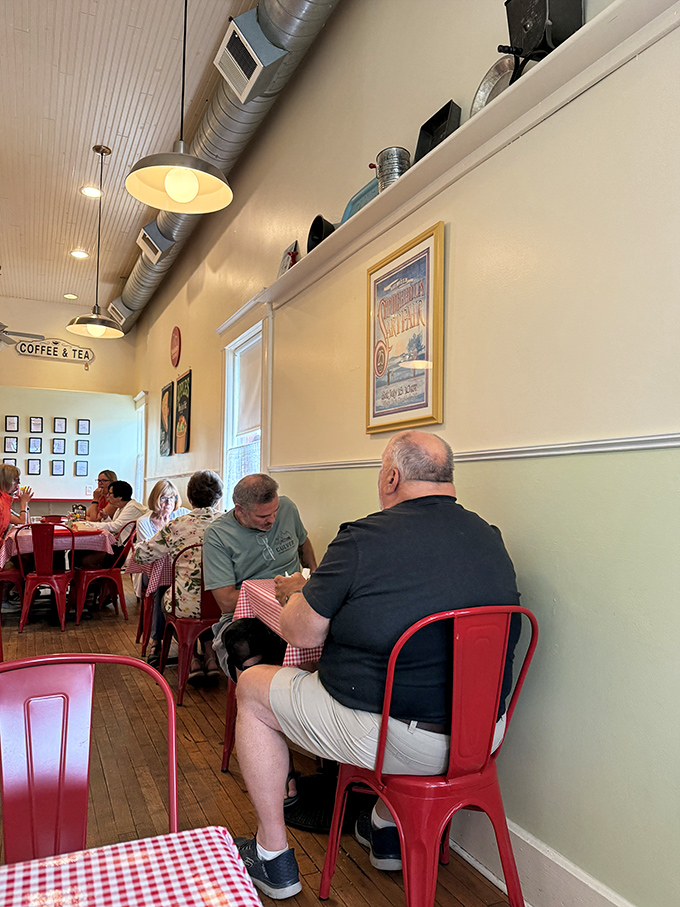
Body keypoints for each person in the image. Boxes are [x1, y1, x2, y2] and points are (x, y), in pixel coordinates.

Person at [231, 431, 521, 899]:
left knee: (251, 686)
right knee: (413, 683)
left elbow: (301, 634)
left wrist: (300, 594)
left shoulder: (363, 538)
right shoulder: (490, 538)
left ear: (391, 476)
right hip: (482, 733)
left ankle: (272, 857)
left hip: (388, 735)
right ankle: (386, 833)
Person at [202, 474, 317, 677]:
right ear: (240, 510)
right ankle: (256, 701)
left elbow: (303, 543)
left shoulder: (287, 507)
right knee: (242, 644)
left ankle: (305, 700)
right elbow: (227, 602)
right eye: (263, 517)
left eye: (274, 512)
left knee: (331, 633)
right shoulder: (218, 535)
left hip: (296, 604)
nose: (272, 520)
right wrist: (280, 591)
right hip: (247, 615)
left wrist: (314, 573)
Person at [133, 470, 223, 675]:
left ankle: (191, 658)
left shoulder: (176, 525)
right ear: (218, 499)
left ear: (190, 499)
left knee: (171, 595)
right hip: (223, 603)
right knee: (207, 595)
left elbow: (142, 556)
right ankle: (210, 656)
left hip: (185, 603)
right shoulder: (228, 524)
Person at [76, 480, 146, 567]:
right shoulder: (121, 507)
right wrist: (106, 518)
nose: (107, 496)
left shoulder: (132, 508)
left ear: (119, 497)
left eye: (110, 493)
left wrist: (88, 524)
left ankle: (97, 579)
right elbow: (116, 525)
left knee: (81, 558)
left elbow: (115, 527)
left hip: (123, 550)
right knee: (76, 553)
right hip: (118, 545)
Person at [0, 465, 33, 538]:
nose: (19, 483)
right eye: (16, 480)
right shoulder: (1, 503)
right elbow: (22, 523)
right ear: (6, 481)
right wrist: (24, 503)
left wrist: (25, 503)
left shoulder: (5, 501)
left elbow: (23, 523)